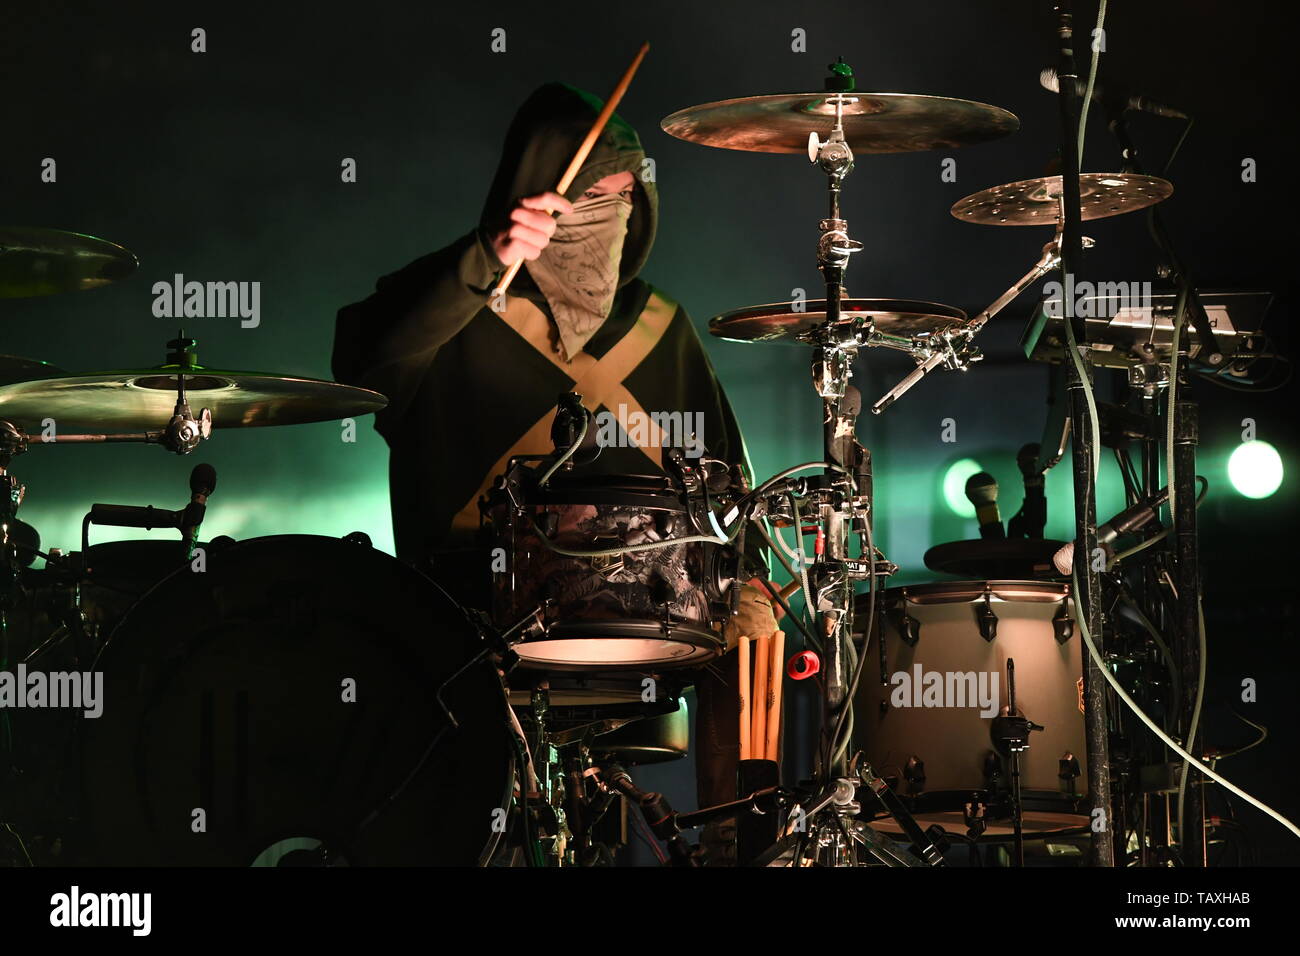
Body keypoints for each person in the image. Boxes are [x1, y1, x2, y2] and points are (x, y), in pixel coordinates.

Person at [333, 82, 778, 864]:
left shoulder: (661, 327)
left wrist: (753, 576)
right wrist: (488, 258)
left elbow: (727, 486)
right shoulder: (451, 314)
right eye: (587, 199)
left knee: (752, 624)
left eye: (623, 198)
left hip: (641, 613)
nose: (611, 216)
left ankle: (733, 846)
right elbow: (362, 358)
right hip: (475, 617)